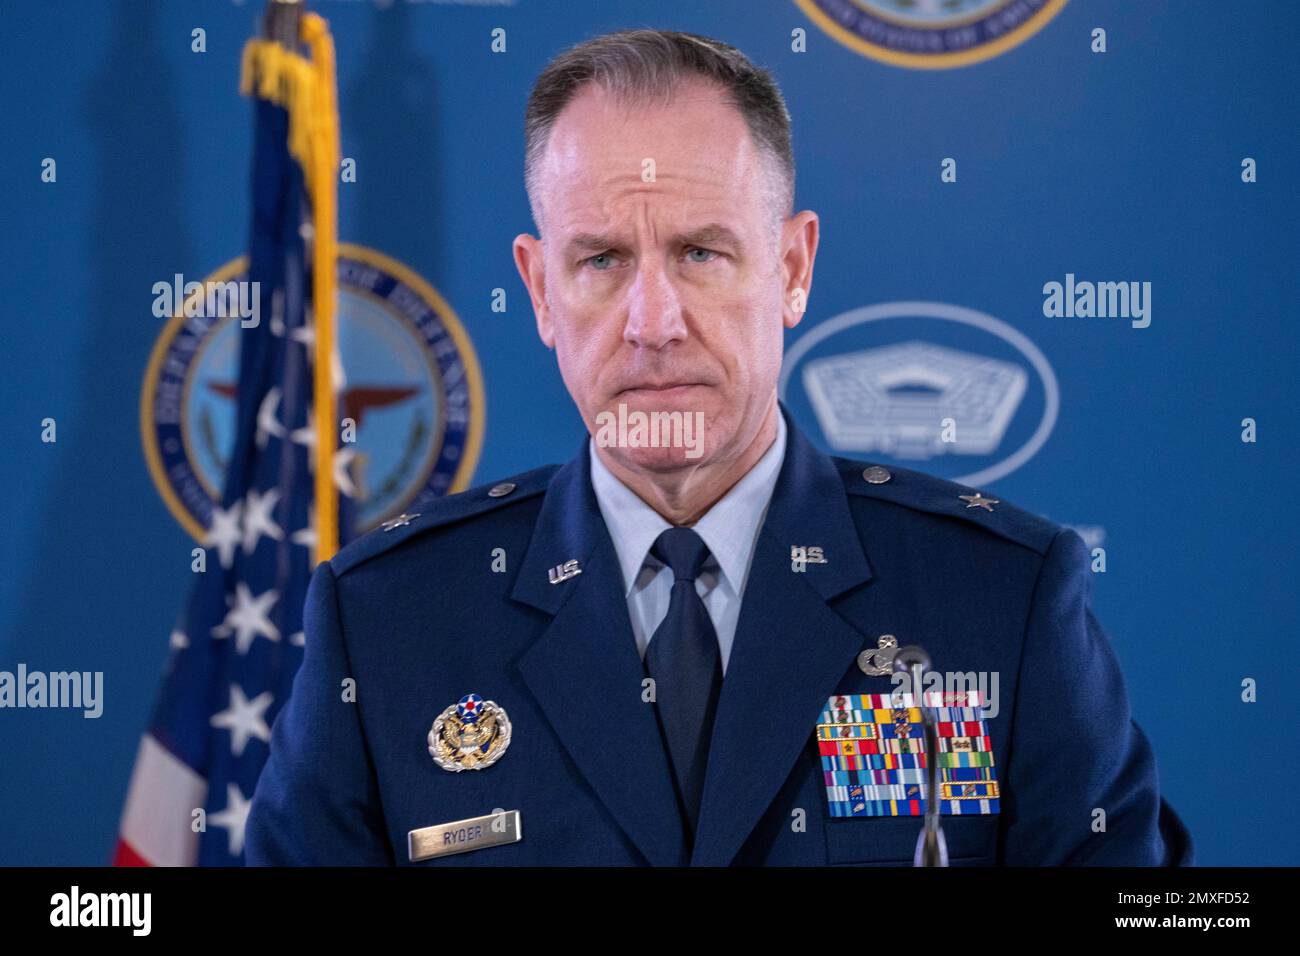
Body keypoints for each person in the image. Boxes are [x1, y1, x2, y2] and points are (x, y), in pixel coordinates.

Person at [245, 28, 1192, 866]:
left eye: (701, 252)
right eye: (602, 260)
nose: (652, 322)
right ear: (538, 290)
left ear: (791, 268)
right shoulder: (389, 622)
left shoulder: (999, 602)